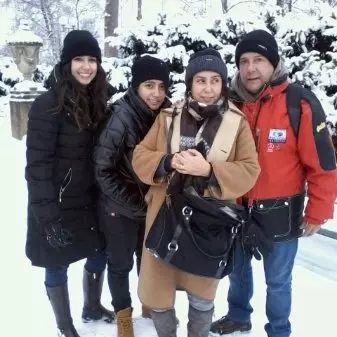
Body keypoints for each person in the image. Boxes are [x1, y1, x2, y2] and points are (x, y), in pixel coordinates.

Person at [210, 30, 337, 337]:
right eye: (244, 61)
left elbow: (323, 165)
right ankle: (239, 316)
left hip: (280, 212)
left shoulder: (299, 103)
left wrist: (317, 211)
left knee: (278, 281)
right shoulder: (228, 104)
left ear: (274, 63)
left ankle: (279, 330)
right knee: (237, 272)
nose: (250, 68)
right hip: (236, 210)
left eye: (259, 60)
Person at [131, 48, 261, 337]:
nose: (207, 87)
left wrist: (209, 171)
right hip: (165, 218)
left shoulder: (236, 122)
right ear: (190, 84)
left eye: (215, 80)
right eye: (200, 80)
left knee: (202, 296)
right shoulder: (168, 117)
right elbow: (140, 156)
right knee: (160, 295)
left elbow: (250, 170)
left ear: (223, 84)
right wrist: (166, 161)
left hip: (208, 223)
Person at [25, 30, 114, 337]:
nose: (86, 66)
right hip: (57, 201)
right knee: (57, 261)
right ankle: (65, 326)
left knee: (100, 250)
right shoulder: (47, 105)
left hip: (90, 200)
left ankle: (91, 305)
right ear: (66, 63)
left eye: (92, 60)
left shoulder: (100, 100)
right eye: (79, 59)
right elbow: (37, 167)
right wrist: (47, 218)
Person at [93, 55, 171, 337]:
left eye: (162, 87)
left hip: (149, 207)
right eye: (149, 85)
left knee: (149, 259)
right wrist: (137, 202)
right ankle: (123, 315)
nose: (156, 93)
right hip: (119, 208)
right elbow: (103, 170)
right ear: (136, 86)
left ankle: (149, 303)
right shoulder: (120, 118)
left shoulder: (165, 114)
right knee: (120, 263)